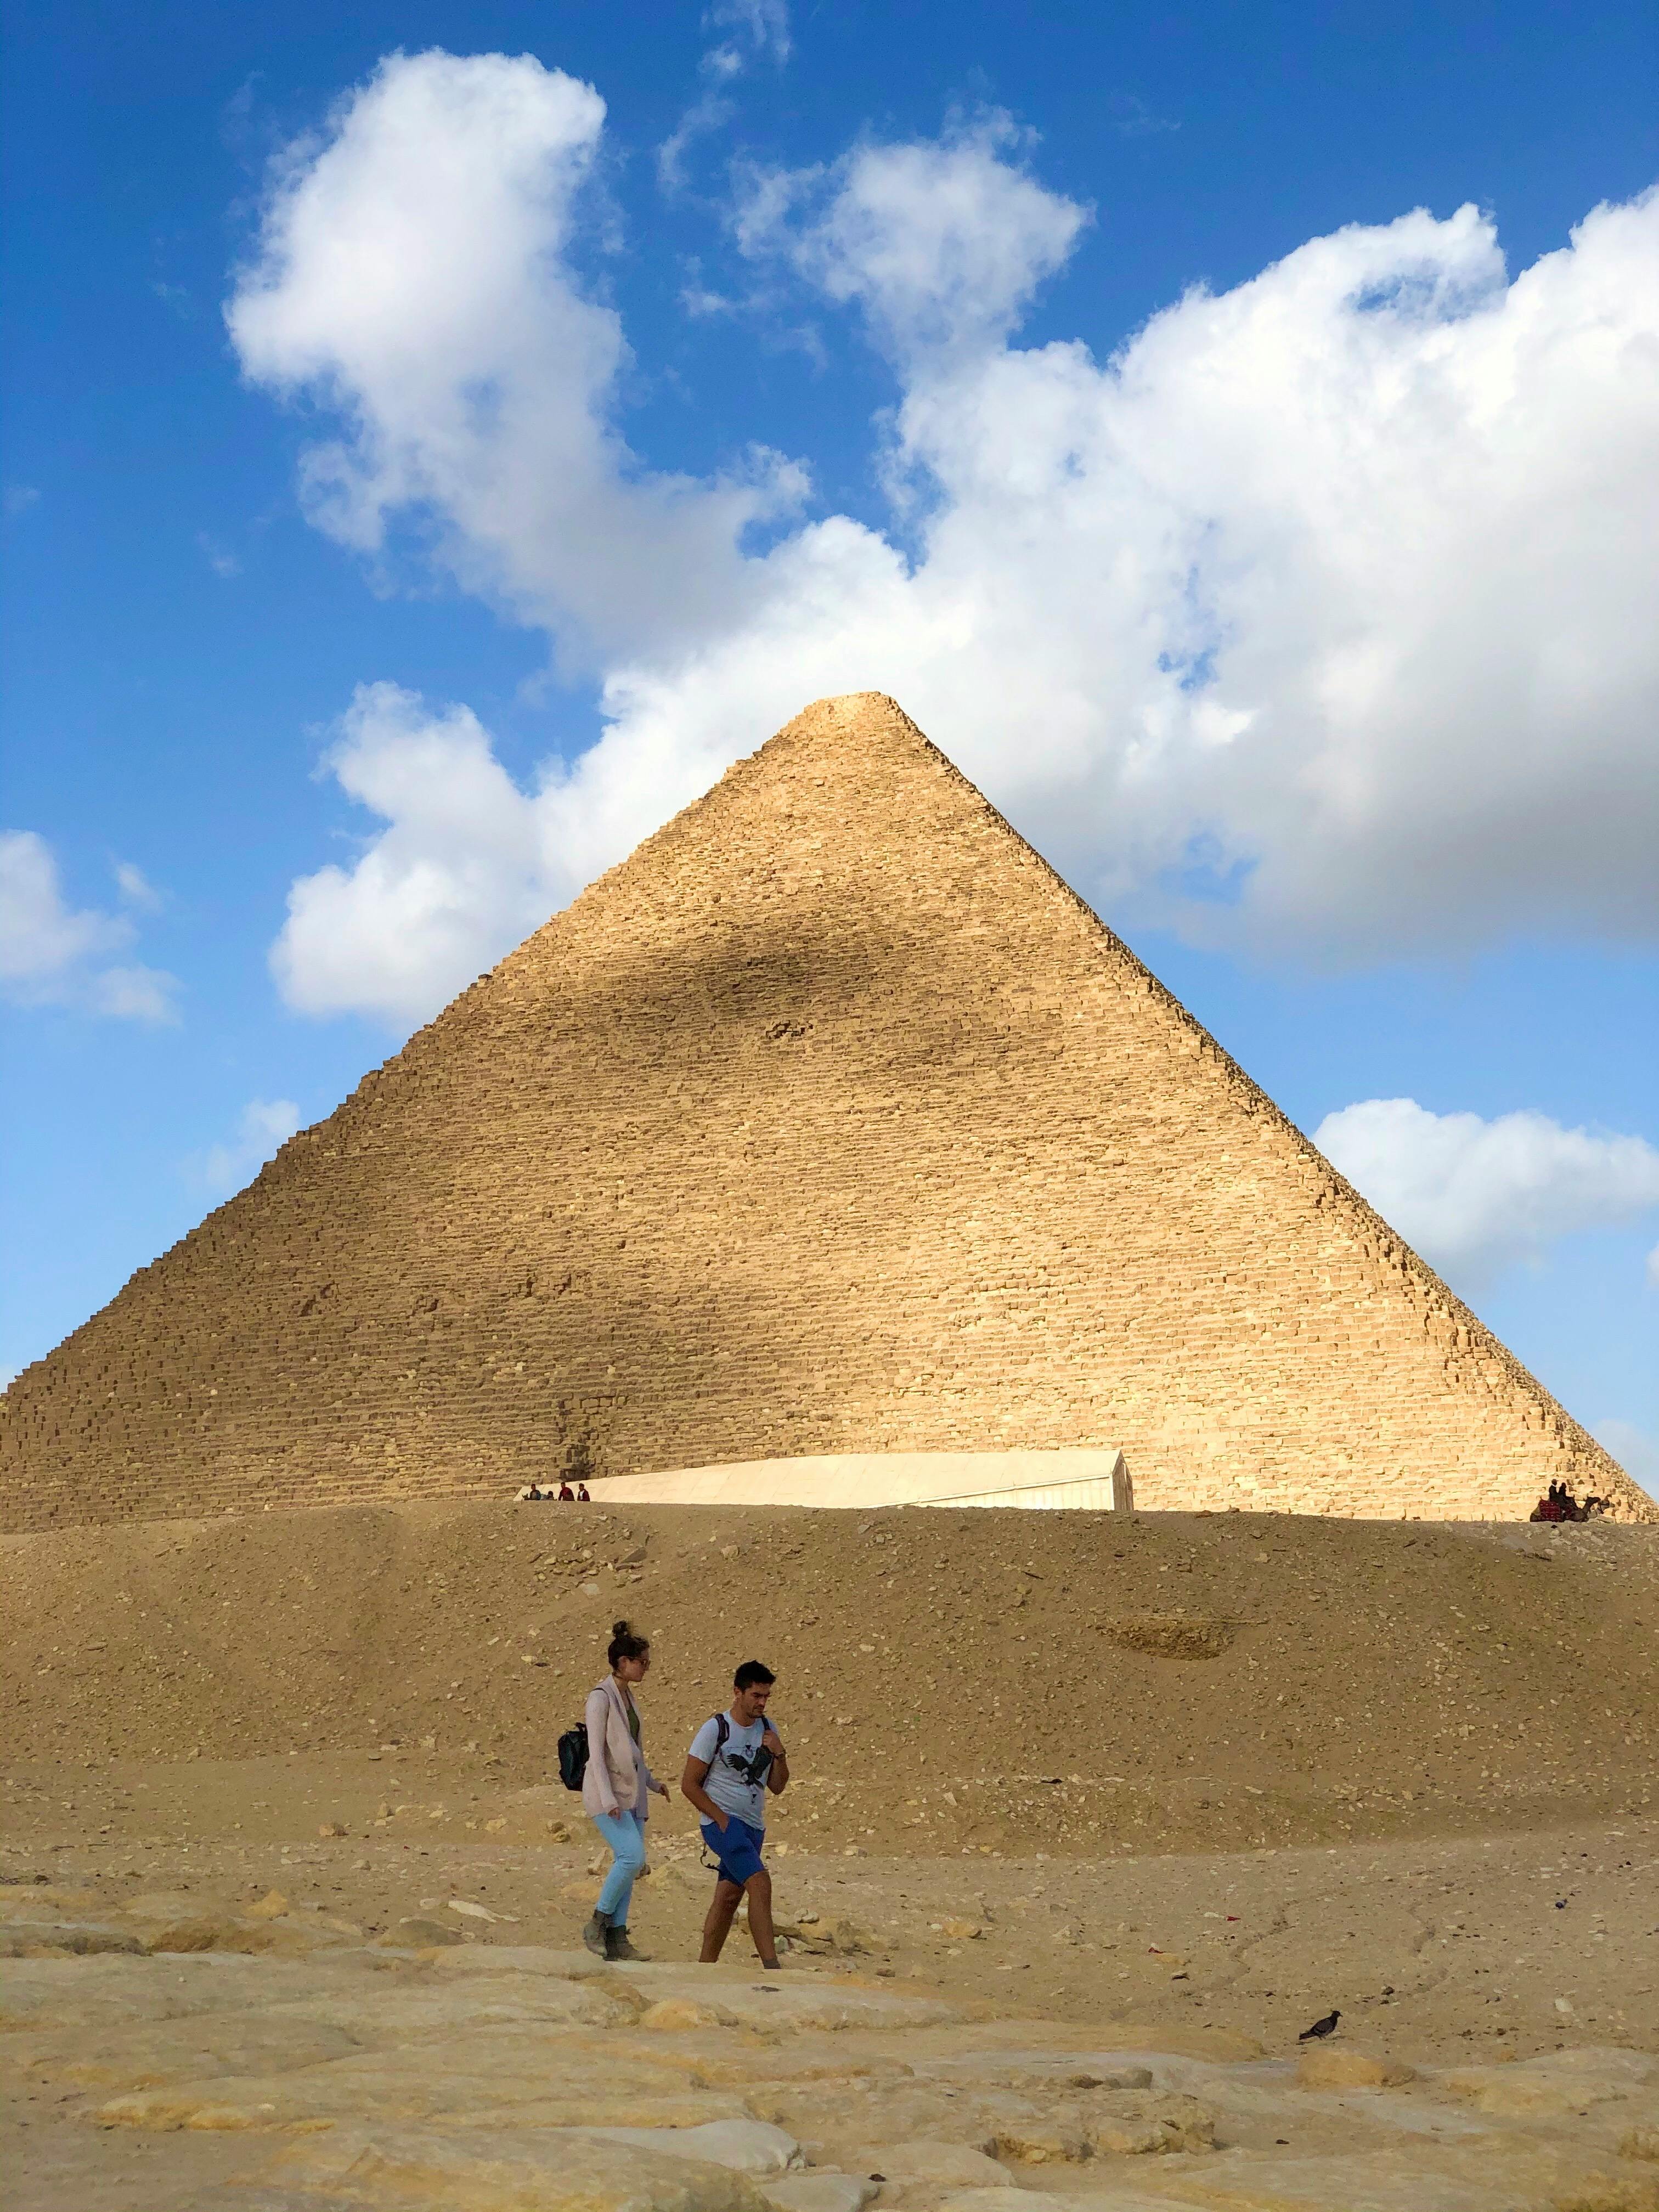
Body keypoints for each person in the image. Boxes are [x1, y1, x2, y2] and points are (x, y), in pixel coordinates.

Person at [681, 1660, 789, 1969]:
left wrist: (779, 1753)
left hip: (754, 1827)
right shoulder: (716, 1729)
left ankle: (704, 1968)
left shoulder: (769, 1729)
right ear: (737, 1693)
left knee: (729, 1897)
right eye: (756, 1695)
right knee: (760, 1883)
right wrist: (721, 1819)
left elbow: (778, 1787)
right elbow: (689, 1785)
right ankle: (772, 1966)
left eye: (767, 1696)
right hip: (724, 1825)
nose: (762, 1703)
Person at [581, 1620, 668, 1961]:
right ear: (623, 1662)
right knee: (633, 1857)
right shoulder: (600, 1699)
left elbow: (631, 1752)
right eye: (641, 1662)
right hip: (609, 1796)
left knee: (628, 1865)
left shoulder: (628, 1698)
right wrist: (607, 1799)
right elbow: (597, 1755)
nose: (646, 1668)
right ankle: (597, 1923)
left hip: (632, 1795)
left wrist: (653, 1783)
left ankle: (618, 1938)